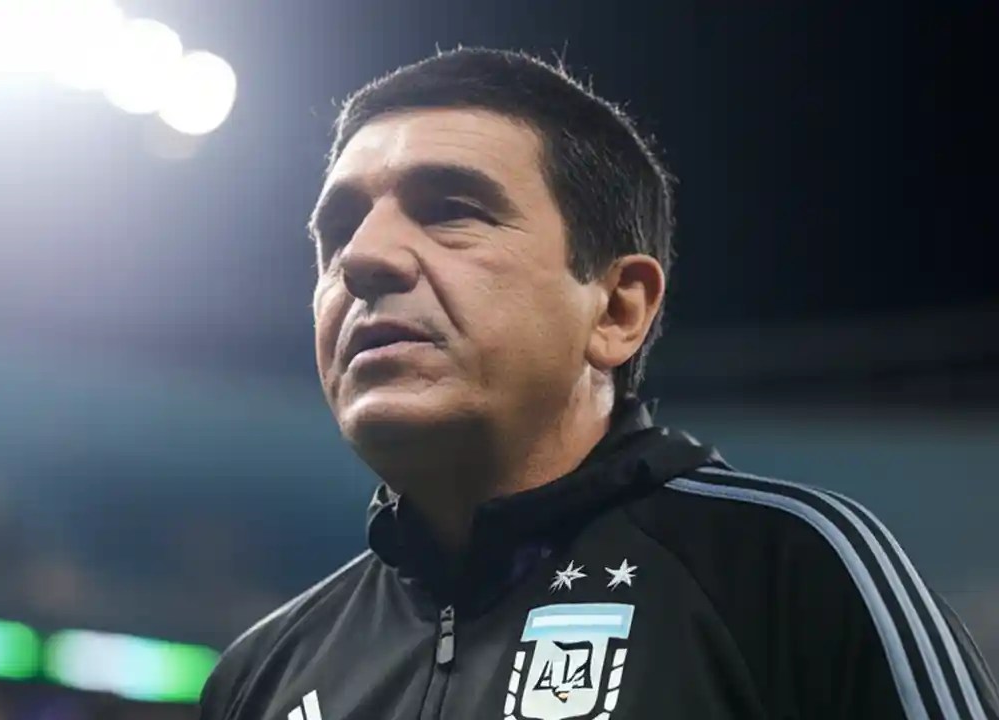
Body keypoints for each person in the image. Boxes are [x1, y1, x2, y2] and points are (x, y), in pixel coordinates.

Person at [198, 48, 998, 720]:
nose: (362, 260)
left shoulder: (791, 573)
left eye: (449, 210)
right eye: (338, 231)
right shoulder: (261, 674)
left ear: (617, 309)